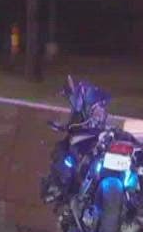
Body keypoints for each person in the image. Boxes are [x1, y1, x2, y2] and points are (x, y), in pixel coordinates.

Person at [41, 76, 113, 204]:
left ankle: (59, 187)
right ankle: (58, 187)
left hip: (98, 140)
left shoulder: (93, 109)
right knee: (62, 152)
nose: (100, 111)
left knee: (64, 152)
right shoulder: (80, 113)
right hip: (85, 139)